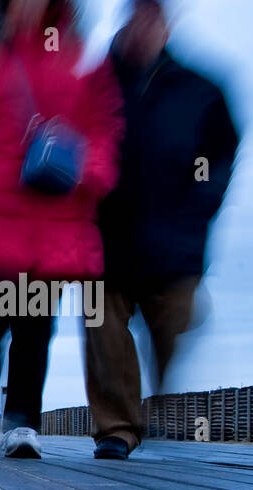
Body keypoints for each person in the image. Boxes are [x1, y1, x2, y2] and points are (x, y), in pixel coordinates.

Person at [0, 0, 123, 458]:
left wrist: (84, 172)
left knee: (36, 327)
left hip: (54, 225)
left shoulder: (79, 64)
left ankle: (22, 421)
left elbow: (106, 130)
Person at [84, 0, 240, 460]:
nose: (145, 26)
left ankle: (165, 405)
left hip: (175, 242)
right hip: (101, 239)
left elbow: (223, 150)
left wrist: (200, 201)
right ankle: (117, 429)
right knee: (102, 326)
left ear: (168, 26)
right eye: (138, 16)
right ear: (125, 20)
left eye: (155, 17)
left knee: (172, 324)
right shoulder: (91, 86)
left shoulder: (202, 88)